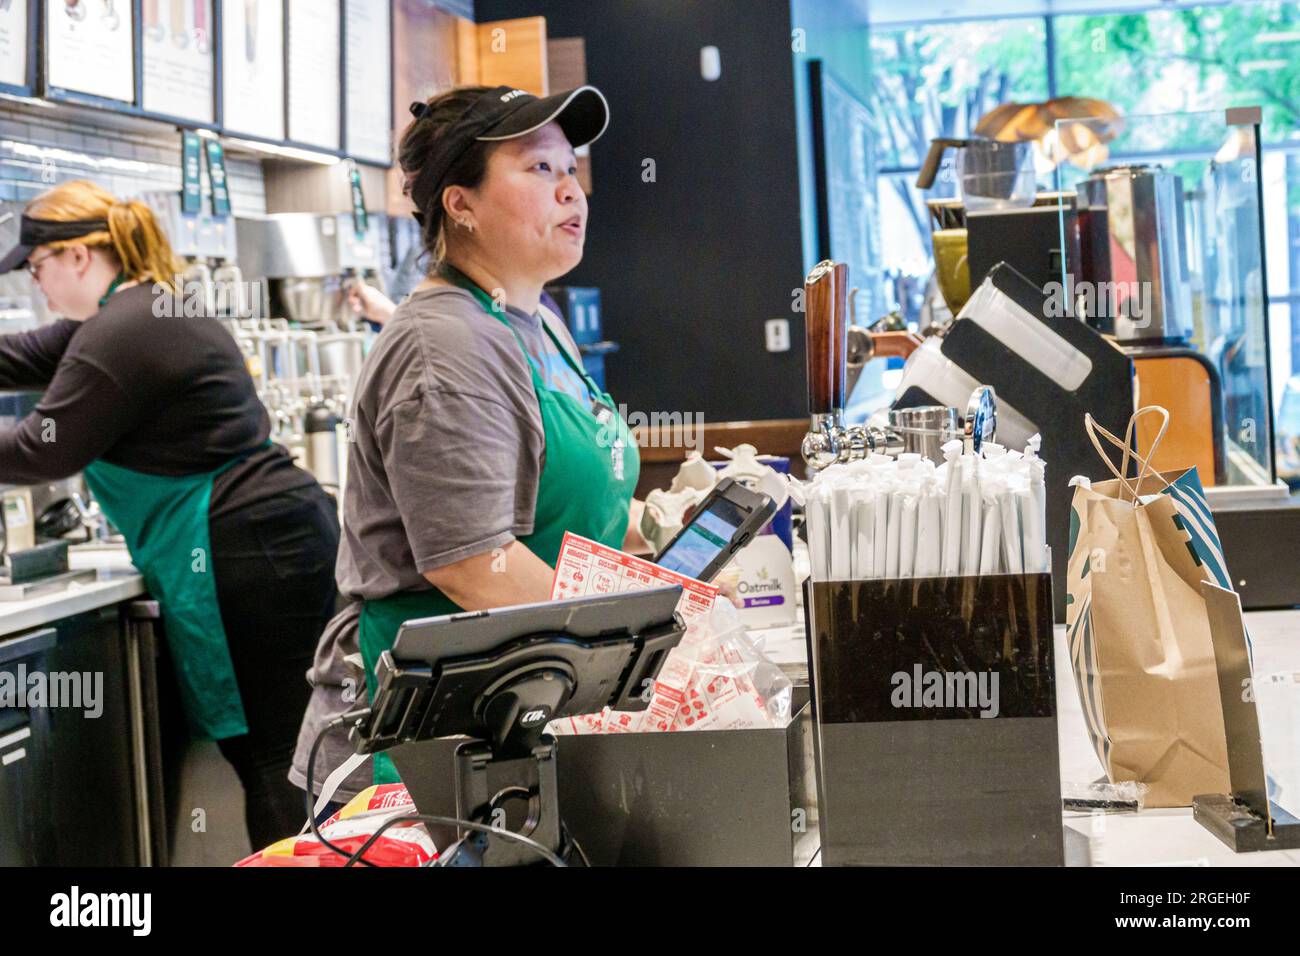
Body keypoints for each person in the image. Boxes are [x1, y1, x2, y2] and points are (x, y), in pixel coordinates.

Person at [294, 84, 651, 796]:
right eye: (539, 171)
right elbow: (473, 564)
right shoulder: (446, 345)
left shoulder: (535, 316)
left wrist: (664, 558)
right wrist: (629, 649)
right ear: (460, 203)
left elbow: (566, 500)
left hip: (525, 704)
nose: (570, 193)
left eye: (570, 169)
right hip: (427, 742)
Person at [0, 180, 341, 849]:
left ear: (77, 255)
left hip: (252, 552)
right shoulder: (136, 315)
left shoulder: (123, 331)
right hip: (272, 541)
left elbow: (44, 448)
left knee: (278, 765)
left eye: (37, 267)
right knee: (283, 760)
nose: (35, 283)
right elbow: (15, 357)